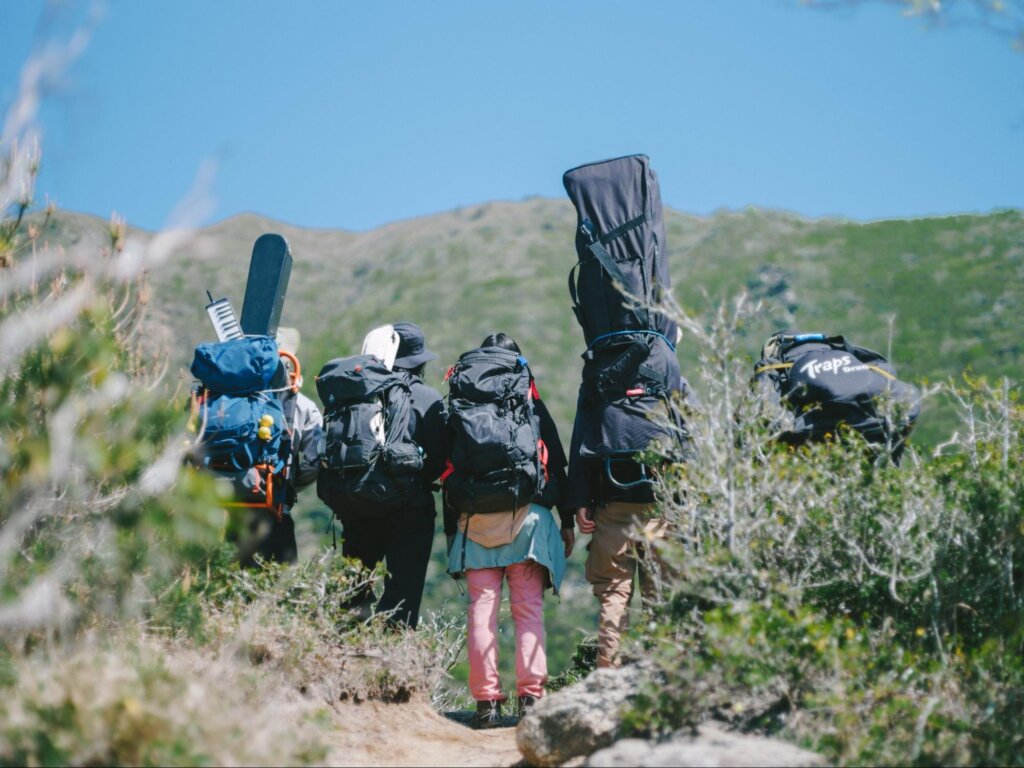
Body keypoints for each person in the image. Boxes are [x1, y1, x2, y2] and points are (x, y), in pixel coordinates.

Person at [444, 333, 574, 729]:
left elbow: (450, 474)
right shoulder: (529, 403)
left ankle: (485, 704)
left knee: (481, 612)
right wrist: (566, 522)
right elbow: (558, 467)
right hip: (528, 522)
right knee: (528, 609)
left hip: (475, 523)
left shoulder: (461, 407)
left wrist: (453, 534)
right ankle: (530, 699)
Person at [340, 322, 446, 629]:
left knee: (353, 591)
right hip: (411, 510)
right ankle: (392, 665)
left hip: (359, 504)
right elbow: (439, 461)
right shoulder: (428, 398)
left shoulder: (357, 391)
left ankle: (341, 658)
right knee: (403, 593)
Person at [567, 417, 671, 670]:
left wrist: (579, 501)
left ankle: (609, 676)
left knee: (614, 593)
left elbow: (581, 439)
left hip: (612, 502)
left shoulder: (598, 377)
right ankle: (661, 676)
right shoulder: (668, 375)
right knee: (660, 593)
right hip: (661, 503)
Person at [243, 328, 323, 566]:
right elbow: (313, 462)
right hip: (274, 510)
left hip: (219, 509)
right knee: (280, 593)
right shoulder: (305, 407)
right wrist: (287, 486)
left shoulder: (227, 398)